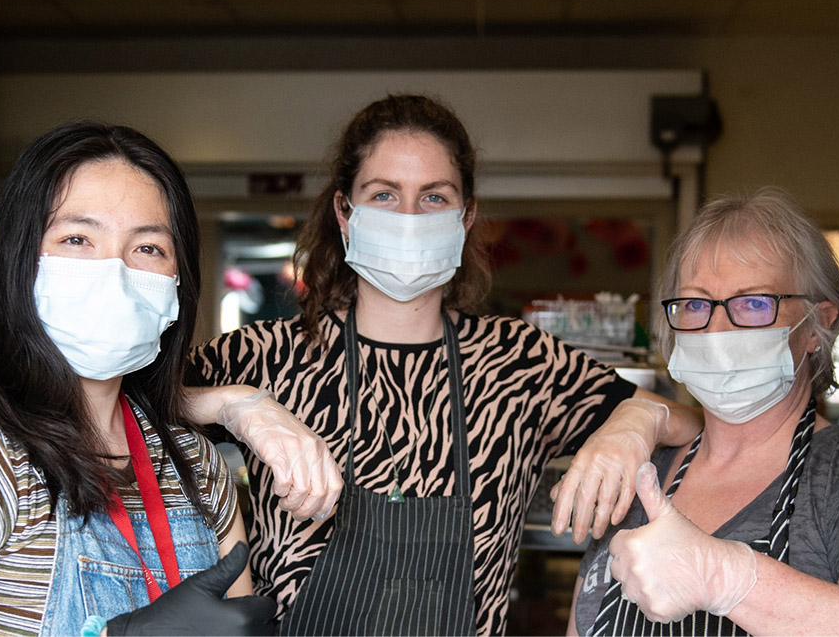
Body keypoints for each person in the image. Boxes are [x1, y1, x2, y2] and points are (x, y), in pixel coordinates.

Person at [186, 93, 702, 636]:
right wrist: (237, 404)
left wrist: (638, 422)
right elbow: (123, 406)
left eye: (433, 198)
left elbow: (691, 427)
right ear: (345, 211)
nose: (408, 217)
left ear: (466, 216)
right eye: (384, 194)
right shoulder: (267, 356)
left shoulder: (521, 363)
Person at [0, 121, 284, 635]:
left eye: (148, 249)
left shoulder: (194, 463)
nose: (113, 274)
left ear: (178, 285)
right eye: (77, 239)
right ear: (19, 260)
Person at [568, 188, 839, 636]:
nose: (716, 329)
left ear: (818, 325)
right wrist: (640, 417)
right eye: (695, 304)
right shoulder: (640, 474)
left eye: (753, 303)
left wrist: (728, 578)